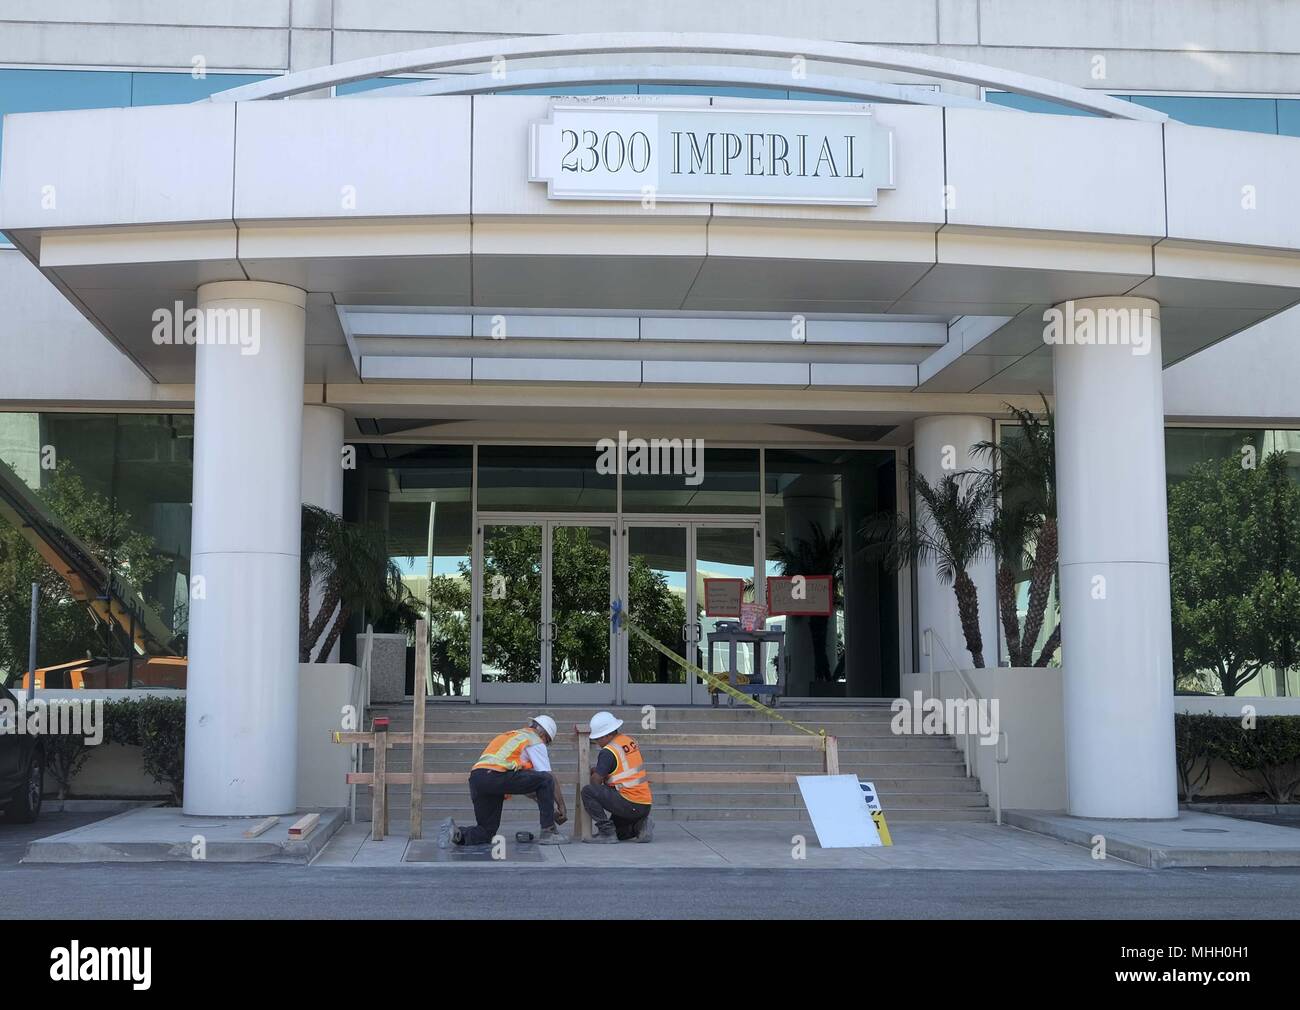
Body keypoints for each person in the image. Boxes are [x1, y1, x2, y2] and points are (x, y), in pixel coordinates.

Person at [444, 714, 568, 846]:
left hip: (478, 779)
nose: (545, 744)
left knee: (487, 831)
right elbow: (548, 778)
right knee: (546, 779)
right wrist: (561, 806)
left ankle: (457, 834)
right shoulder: (535, 740)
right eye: (547, 741)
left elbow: (526, 787)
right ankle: (548, 833)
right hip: (496, 776)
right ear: (543, 733)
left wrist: (548, 808)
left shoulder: (511, 737)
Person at [581, 711, 653, 843]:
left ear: (607, 734)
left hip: (629, 801)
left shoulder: (608, 751)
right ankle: (640, 826)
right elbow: (622, 768)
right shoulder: (628, 741)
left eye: (598, 738)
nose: (597, 742)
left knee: (588, 791)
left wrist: (595, 775)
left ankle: (606, 833)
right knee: (619, 833)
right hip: (644, 804)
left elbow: (595, 782)